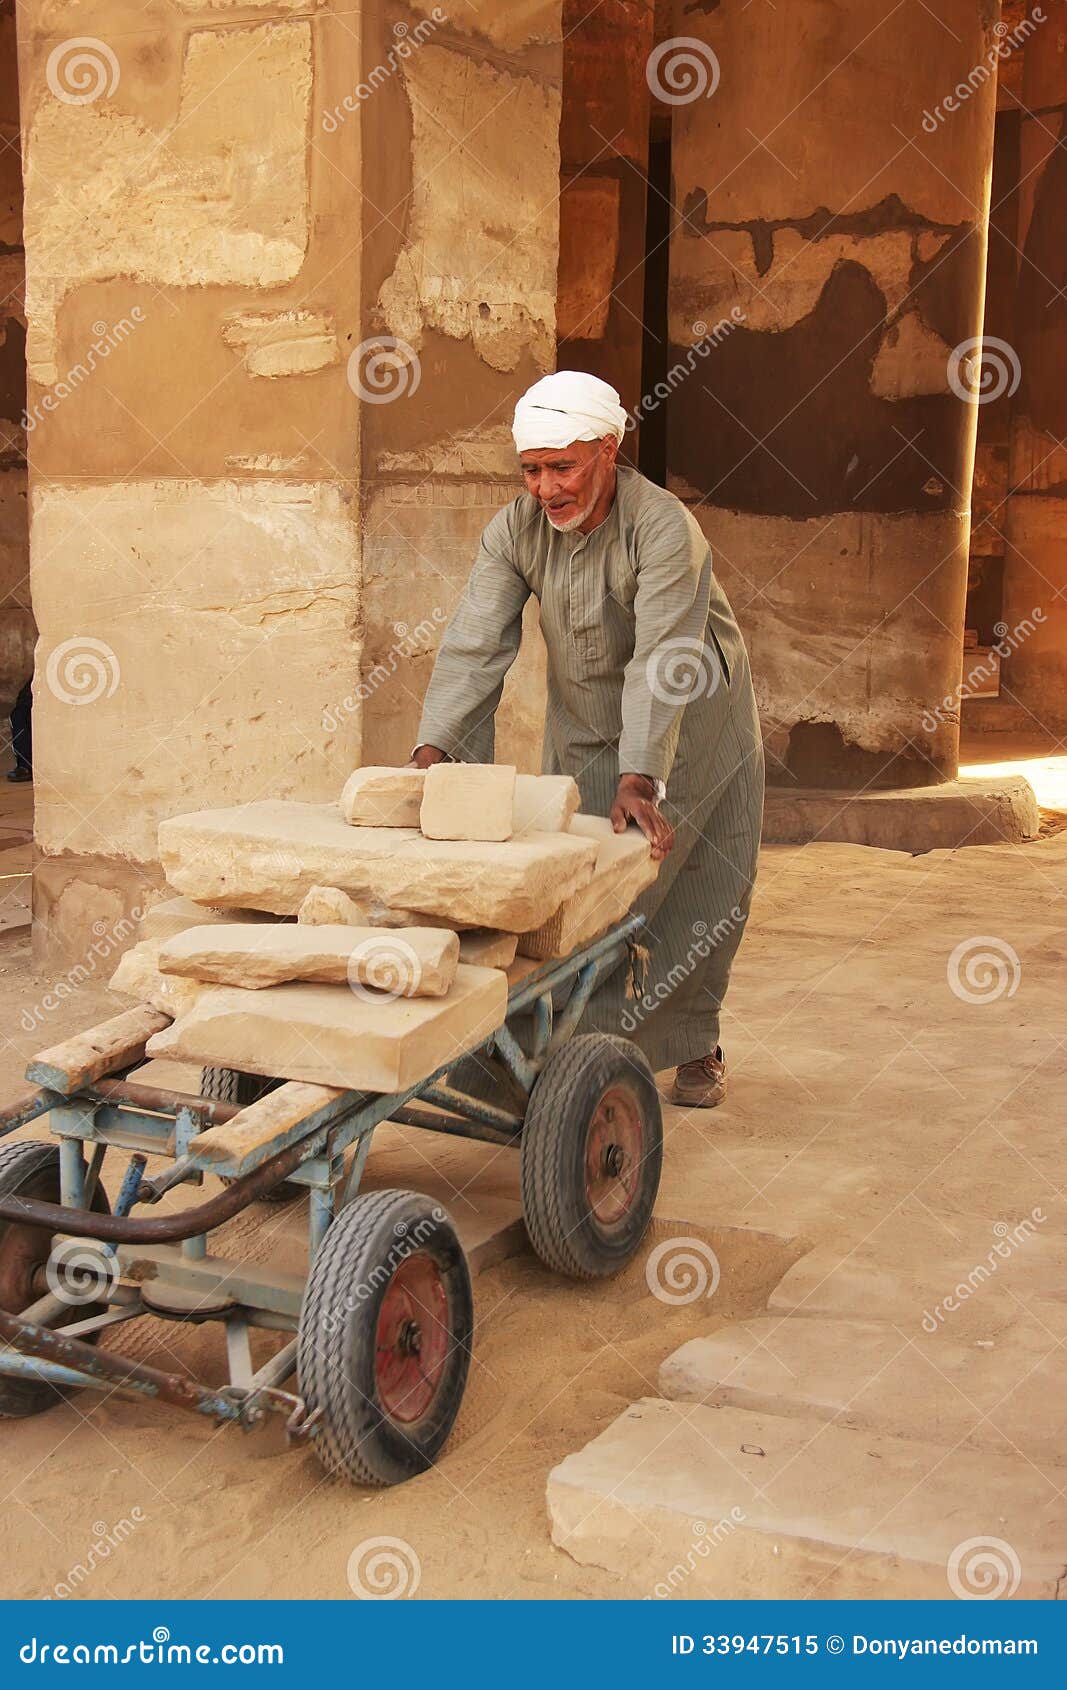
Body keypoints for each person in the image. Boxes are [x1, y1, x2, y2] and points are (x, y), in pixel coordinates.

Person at [411, 372, 764, 1107]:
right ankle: (533, 1060)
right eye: (531, 470)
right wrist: (433, 751)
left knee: (673, 890)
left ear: (607, 450)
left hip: (687, 723)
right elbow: (475, 642)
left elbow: (664, 654)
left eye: (561, 467)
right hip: (583, 718)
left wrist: (643, 774)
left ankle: (683, 1042)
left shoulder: (663, 527)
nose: (544, 488)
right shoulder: (515, 529)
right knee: (568, 894)